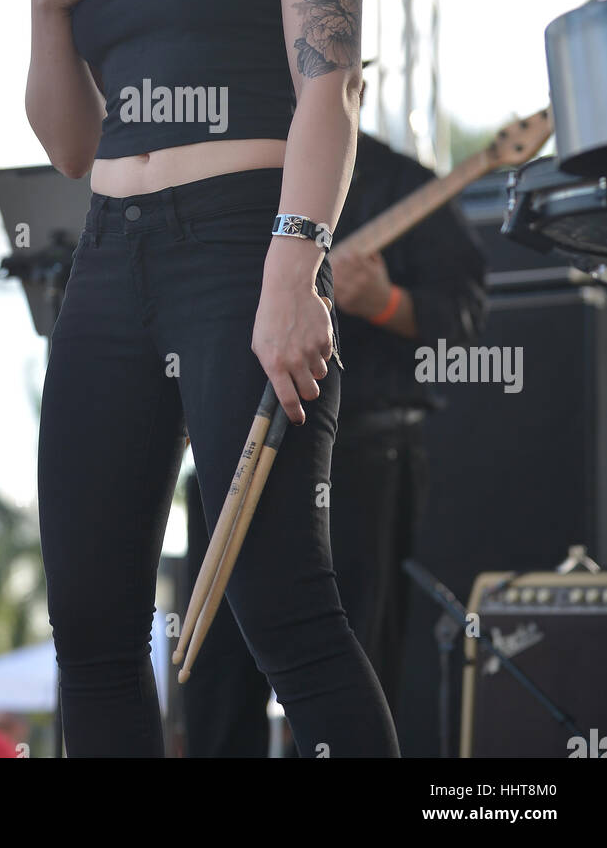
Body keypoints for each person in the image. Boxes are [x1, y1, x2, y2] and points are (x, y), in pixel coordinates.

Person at [26, 0, 427, 759]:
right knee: (92, 632)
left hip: (241, 246)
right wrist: (46, 0)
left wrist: (291, 265)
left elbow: (329, 83)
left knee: (284, 614)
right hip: (108, 267)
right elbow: (72, 149)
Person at [181, 68, 488, 755]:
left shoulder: (406, 185)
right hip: (236, 445)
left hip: (363, 454)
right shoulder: (235, 177)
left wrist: (382, 301)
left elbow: (463, 317)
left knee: (344, 659)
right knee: (214, 671)